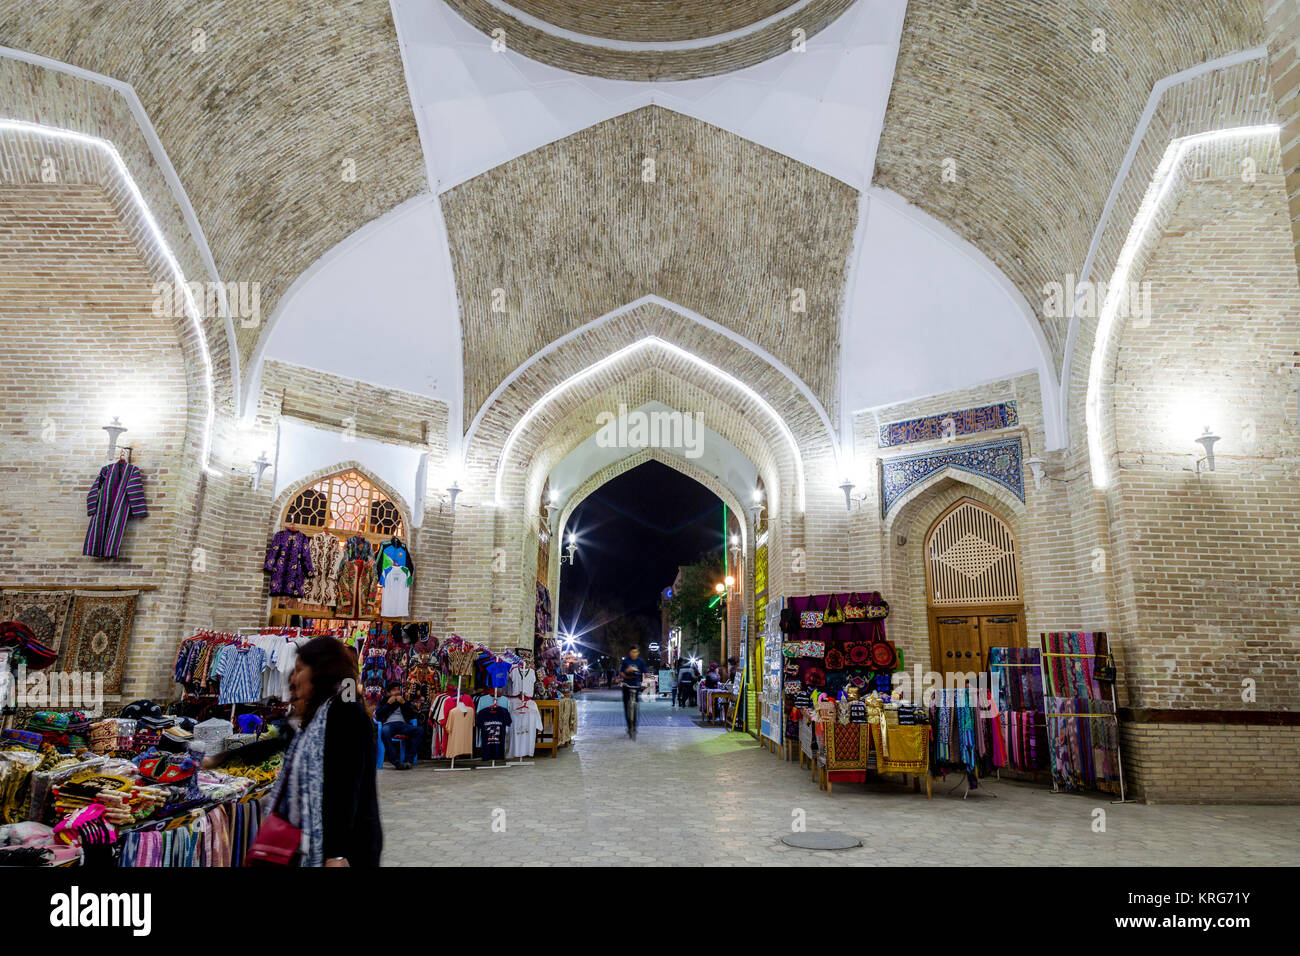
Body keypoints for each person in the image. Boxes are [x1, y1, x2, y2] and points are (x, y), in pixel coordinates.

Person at [207, 636, 382, 867]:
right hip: (310, 840)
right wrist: (219, 760)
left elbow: (346, 785)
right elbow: (275, 744)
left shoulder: (346, 714)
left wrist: (336, 853)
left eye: (300, 670)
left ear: (320, 672)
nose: (293, 677)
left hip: (349, 845)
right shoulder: (312, 714)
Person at [375, 680, 422, 770]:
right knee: (384, 732)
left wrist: (404, 704)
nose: (397, 692)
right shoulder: (383, 701)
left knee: (419, 731)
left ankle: (408, 760)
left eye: (398, 689)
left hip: (402, 725)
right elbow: (379, 716)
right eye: (394, 690)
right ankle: (396, 761)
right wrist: (388, 704)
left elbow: (412, 715)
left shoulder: (403, 700)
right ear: (389, 692)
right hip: (389, 725)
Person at [619, 646, 648, 739]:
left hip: (636, 686)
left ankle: (634, 725)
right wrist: (627, 672)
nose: (634, 654)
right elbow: (621, 673)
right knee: (627, 706)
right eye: (632, 652)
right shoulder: (626, 661)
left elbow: (646, 672)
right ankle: (629, 725)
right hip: (627, 685)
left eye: (636, 652)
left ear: (638, 653)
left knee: (635, 706)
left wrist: (646, 677)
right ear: (629, 652)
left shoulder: (641, 661)